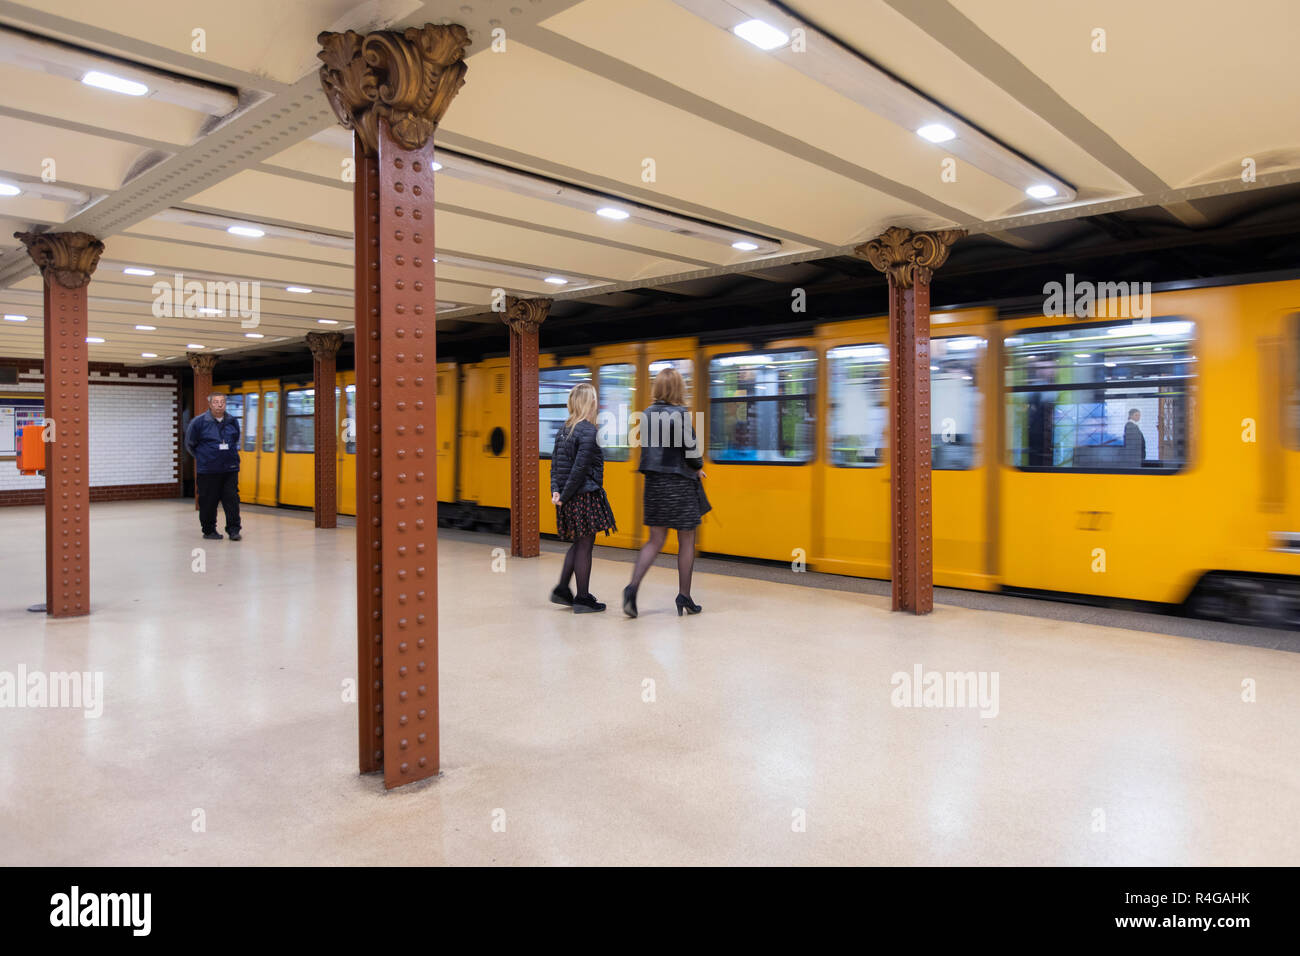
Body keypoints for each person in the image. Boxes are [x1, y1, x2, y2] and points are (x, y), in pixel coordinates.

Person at [623, 367, 710, 618]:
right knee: (686, 540)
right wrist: (698, 468)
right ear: (678, 389)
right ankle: (684, 596)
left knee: (655, 540)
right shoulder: (680, 414)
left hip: (654, 484)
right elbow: (691, 450)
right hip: (679, 484)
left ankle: (632, 587)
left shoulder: (647, 414)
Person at [549, 382, 616, 613]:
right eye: (595, 399)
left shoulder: (563, 429)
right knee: (585, 545)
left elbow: (555, 466)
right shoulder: (588, 430)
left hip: (568, 497)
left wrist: (556, 493)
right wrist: (564, 495)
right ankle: (583, 598)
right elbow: (579, 470)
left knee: (579, 543)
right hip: (583, 496)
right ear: (590, 403)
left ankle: (562, 589)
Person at [185, 393, 242, 541]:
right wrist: (204, 458)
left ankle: (234, 530)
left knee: (232, 501)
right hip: (208, 471)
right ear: (210, 404)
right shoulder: (198, 422)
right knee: (208, 501)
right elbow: (190, 444)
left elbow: (235, 439)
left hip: (230, 469)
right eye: (216, 402)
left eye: (222, 402)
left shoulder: (232, 421)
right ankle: (209, 530)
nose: (219, 405)